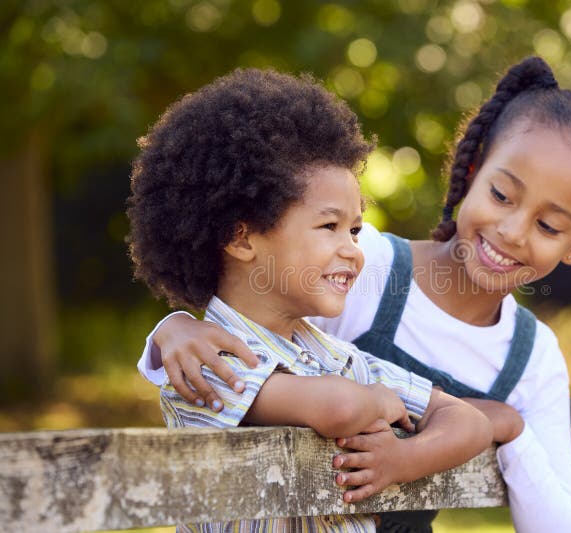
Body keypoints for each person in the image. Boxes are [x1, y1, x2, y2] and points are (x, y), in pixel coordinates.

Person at [138, 56, 571, 533]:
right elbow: (254, 280)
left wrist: (506, 427)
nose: (512, 231)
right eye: (502, 195)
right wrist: (173, 326)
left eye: (549, 226)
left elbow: (561, 523)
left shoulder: (533, 356)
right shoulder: (363, 270)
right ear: (473, 171)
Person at [126, 67, 494, 532]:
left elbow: (471, 423)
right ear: (242, 238)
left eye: (355, 230)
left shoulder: (335, 356)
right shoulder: (205, 360)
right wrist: (379, 400)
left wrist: (404, 457)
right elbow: (340, 409)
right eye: (329, 226)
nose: (352, 249)